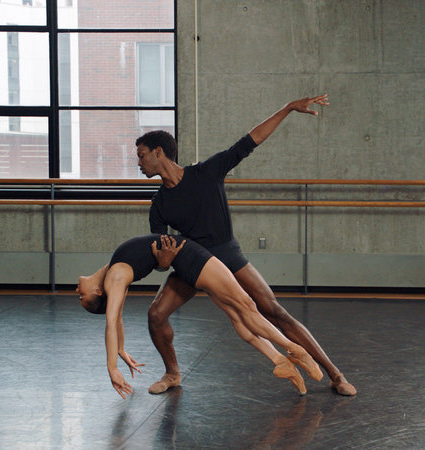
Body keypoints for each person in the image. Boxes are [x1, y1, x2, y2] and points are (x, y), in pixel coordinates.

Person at [137, 95, 357, 396]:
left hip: (226, 255)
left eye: (141, 156)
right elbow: (161, 250)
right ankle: (172, 373)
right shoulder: (159, 204)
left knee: (274, 312)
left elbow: (250, 141)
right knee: (156, 315)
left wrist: (287, 108)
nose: (139, 163)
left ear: (159, 152)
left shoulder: (206, 173)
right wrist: (163, 263)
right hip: (193, 263)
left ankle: (335, 374)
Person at [77, 234, 322, 398]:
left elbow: (117, 317)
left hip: (187, 264)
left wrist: (121, 350)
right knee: (245, 308)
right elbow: (112, 321)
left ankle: (281, 362)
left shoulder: (112, 275)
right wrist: (112, 367)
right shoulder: (115, 277)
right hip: (192, 260)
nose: (78, 292)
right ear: (98, 292)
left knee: (238, 316)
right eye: (82, 297)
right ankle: (294, 350)